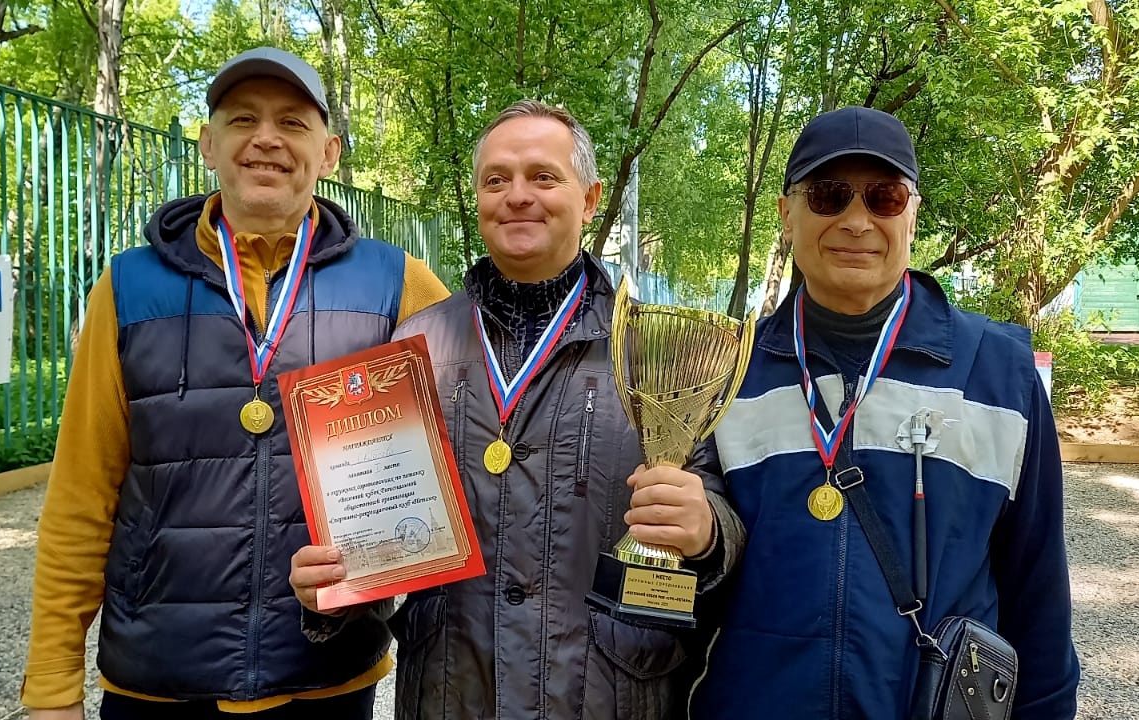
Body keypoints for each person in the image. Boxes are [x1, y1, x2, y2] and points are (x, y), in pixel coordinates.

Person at [20, 47, 451, 719]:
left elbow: (458, 480)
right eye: (243, 119)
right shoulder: (128, 288)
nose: (267, 139)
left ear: (330, 153)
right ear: (209, 145)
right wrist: (51, 685)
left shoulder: (400, 286)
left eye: (293, 122)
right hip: (158, 681)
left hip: (326, 679)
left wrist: (370, 577)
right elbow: (82, 494)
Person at [290, 100, 746, 720]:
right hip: (451, 693)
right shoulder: (412, 349)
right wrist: (334, 596)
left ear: (589, 200)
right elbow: (378, 542)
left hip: (607, 696)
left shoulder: (654, 350)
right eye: (497, 179)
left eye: (544, 177)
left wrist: (708, 532)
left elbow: (719, 507)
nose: (518, 195)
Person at [689, 106, 1080, 718]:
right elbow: (690, 591)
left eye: (884, 197)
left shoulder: (1001, 373)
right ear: (786, 216)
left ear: (913, 214)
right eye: (827, 195)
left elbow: (1040, 596)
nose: (855, 220)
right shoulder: (725, 375)